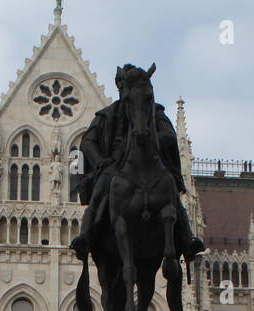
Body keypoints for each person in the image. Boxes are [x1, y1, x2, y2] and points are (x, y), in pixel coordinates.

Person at [70, 64, 204, 264]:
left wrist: (152, 141)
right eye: (123, 86)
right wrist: (100, 162)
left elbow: (169, 135)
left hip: (148, 164)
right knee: (101, 188)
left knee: (171, 192)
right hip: (115, 166)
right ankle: (85, 236)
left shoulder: (153, 111)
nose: (126, 90)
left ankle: (186, 239)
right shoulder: (107, 115)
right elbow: (88, 142)